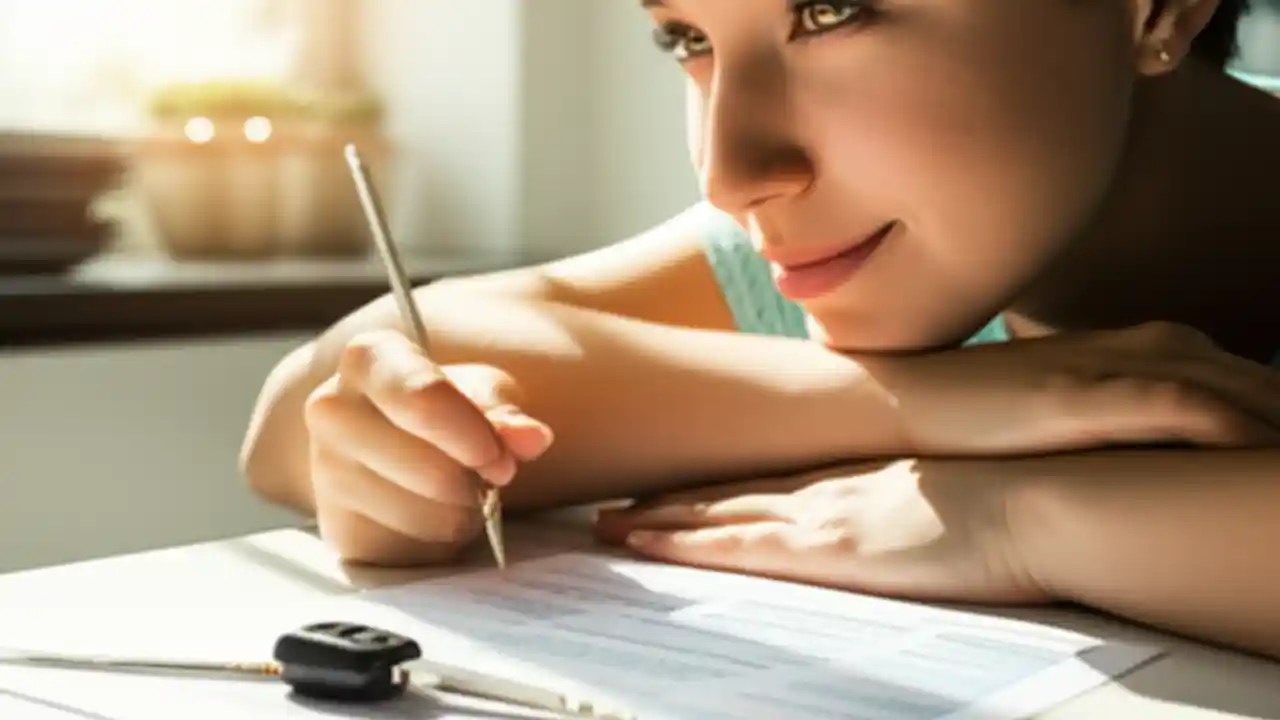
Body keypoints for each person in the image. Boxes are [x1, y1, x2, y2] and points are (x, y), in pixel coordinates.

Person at [240, 0, 1280, 659]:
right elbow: (311, 404)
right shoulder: (861, 246)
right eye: (686, 39)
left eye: (831, 11)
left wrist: (1009, 516)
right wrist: (961, 400)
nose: (730, 174)